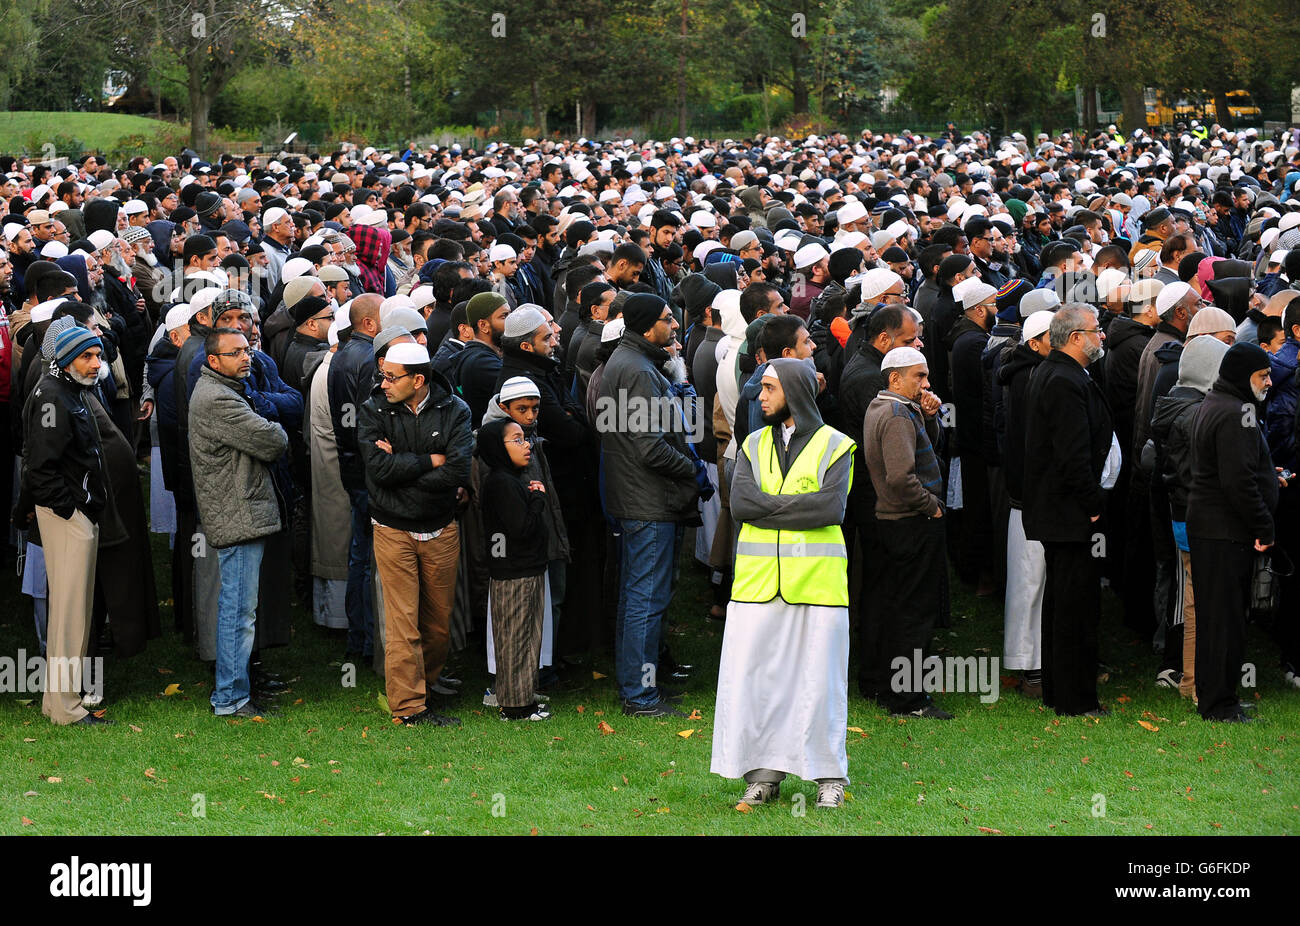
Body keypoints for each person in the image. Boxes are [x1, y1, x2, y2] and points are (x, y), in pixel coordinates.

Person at [712, 357, 855, 808]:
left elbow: (828, 510)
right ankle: (764, 777)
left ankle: (828, 777)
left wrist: (770, 506)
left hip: (818, 586)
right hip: (756, 588)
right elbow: (741, 504)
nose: (760, 395)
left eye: (769, 388)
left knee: (821, 683)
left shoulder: (837, 445)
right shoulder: (752, 443)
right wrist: (793, 506)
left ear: (793, 391)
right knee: (759, 685)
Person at [358, 340, 472, 726]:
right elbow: (378, 472)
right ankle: (408, 708)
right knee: (402, 622)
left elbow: (457, 472)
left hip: (440, 529)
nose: (383, 383)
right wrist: (427, 462)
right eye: (382, 375)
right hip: (392, 528)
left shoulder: (456, 410)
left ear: (418, 379)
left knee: (438, 624)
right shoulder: (373, 409)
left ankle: (427, 684)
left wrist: (402, 470)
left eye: (391, 377)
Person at [597, 293, 700, 717]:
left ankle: (643, 686)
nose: (674, 326)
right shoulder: (637, 369)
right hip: (648, 501)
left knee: (638, 597)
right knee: (645, 599)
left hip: (641, 497)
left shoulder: (633, 362)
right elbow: (649, 447)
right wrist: (692, 471)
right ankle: (639, 696)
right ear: (644, 325)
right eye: (666, 320)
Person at [188, 327, 289, 718]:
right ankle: (229, 698)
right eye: (234, 353)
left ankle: (234, 693)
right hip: (238, 514)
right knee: (238, 610)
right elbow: (273, 440)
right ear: (213, 361)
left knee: (239, 607)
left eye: (247, 350)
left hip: (239, 510)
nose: (246, 357)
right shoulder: (218, 399)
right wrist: (274, 425)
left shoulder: (224, 391)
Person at [14, 325, 112, 726]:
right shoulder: (53, 395)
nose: (96, 364)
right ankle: (66, 709)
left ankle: (60, 704)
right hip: (66, 517)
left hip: (70, 514)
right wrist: (73, 512)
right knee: (70, 615)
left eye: (98, 356)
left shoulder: (64, 389)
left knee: (69, 615)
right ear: (66, 358)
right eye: (87, 357)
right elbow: (40, 468)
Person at [1022, 304, 1115, 717]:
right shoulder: (1061, 378)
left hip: (1064, 510)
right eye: (1096, 331)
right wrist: (1093, 503)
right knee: (1073, 606)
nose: (1102, 337)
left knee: (1065, 602)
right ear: (1076, 337)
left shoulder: (1064, 373)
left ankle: (1062, 692)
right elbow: (1071, 453)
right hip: (1069, 512)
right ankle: (1074, 698)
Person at [1187, 342, 1280, 723]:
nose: (1269, 382)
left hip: (1214, 528)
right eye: (1263, 376)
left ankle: (1220, 697)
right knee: (1223, 619)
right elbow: (1238, 481)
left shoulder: (1218, 402)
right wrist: (1264, 524)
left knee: (1218, 617)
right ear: (1245, 377)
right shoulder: (1236, 411)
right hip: (1223, 531)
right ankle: (1220, 704)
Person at [863, 346, 951, 718]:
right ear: (894, 378)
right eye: (919, 376)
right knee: (914, 612)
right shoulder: (898, 413)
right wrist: (929, 506)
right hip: (910, 523)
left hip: (892, 522)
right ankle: (909, 699)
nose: (926, 383)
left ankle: (886, 686)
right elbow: (901, 476)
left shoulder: (883, 406)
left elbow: (916, 455)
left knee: (894, 607)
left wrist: (929, 419)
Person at [1150, 336, 1230, 702]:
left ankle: (1192, 680)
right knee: (1201, 603)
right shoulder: (1195, 413)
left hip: (1181, 512)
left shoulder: (1174, 405)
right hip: (1196, 516)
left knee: (1196, 600)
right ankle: (1195, 683)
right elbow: (1199, 472)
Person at [477, 416, 552, 721]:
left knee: (524, 634)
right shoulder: (502, 483)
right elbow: (521, 528)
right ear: (498, 447)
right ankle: (516, 706)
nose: (527, 446)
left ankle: (521, 696)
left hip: (523, 569)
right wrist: (537, 499)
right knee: (517, 637)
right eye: (517, 440)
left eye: (526, 439)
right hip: (515, 572)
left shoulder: (509, 480)